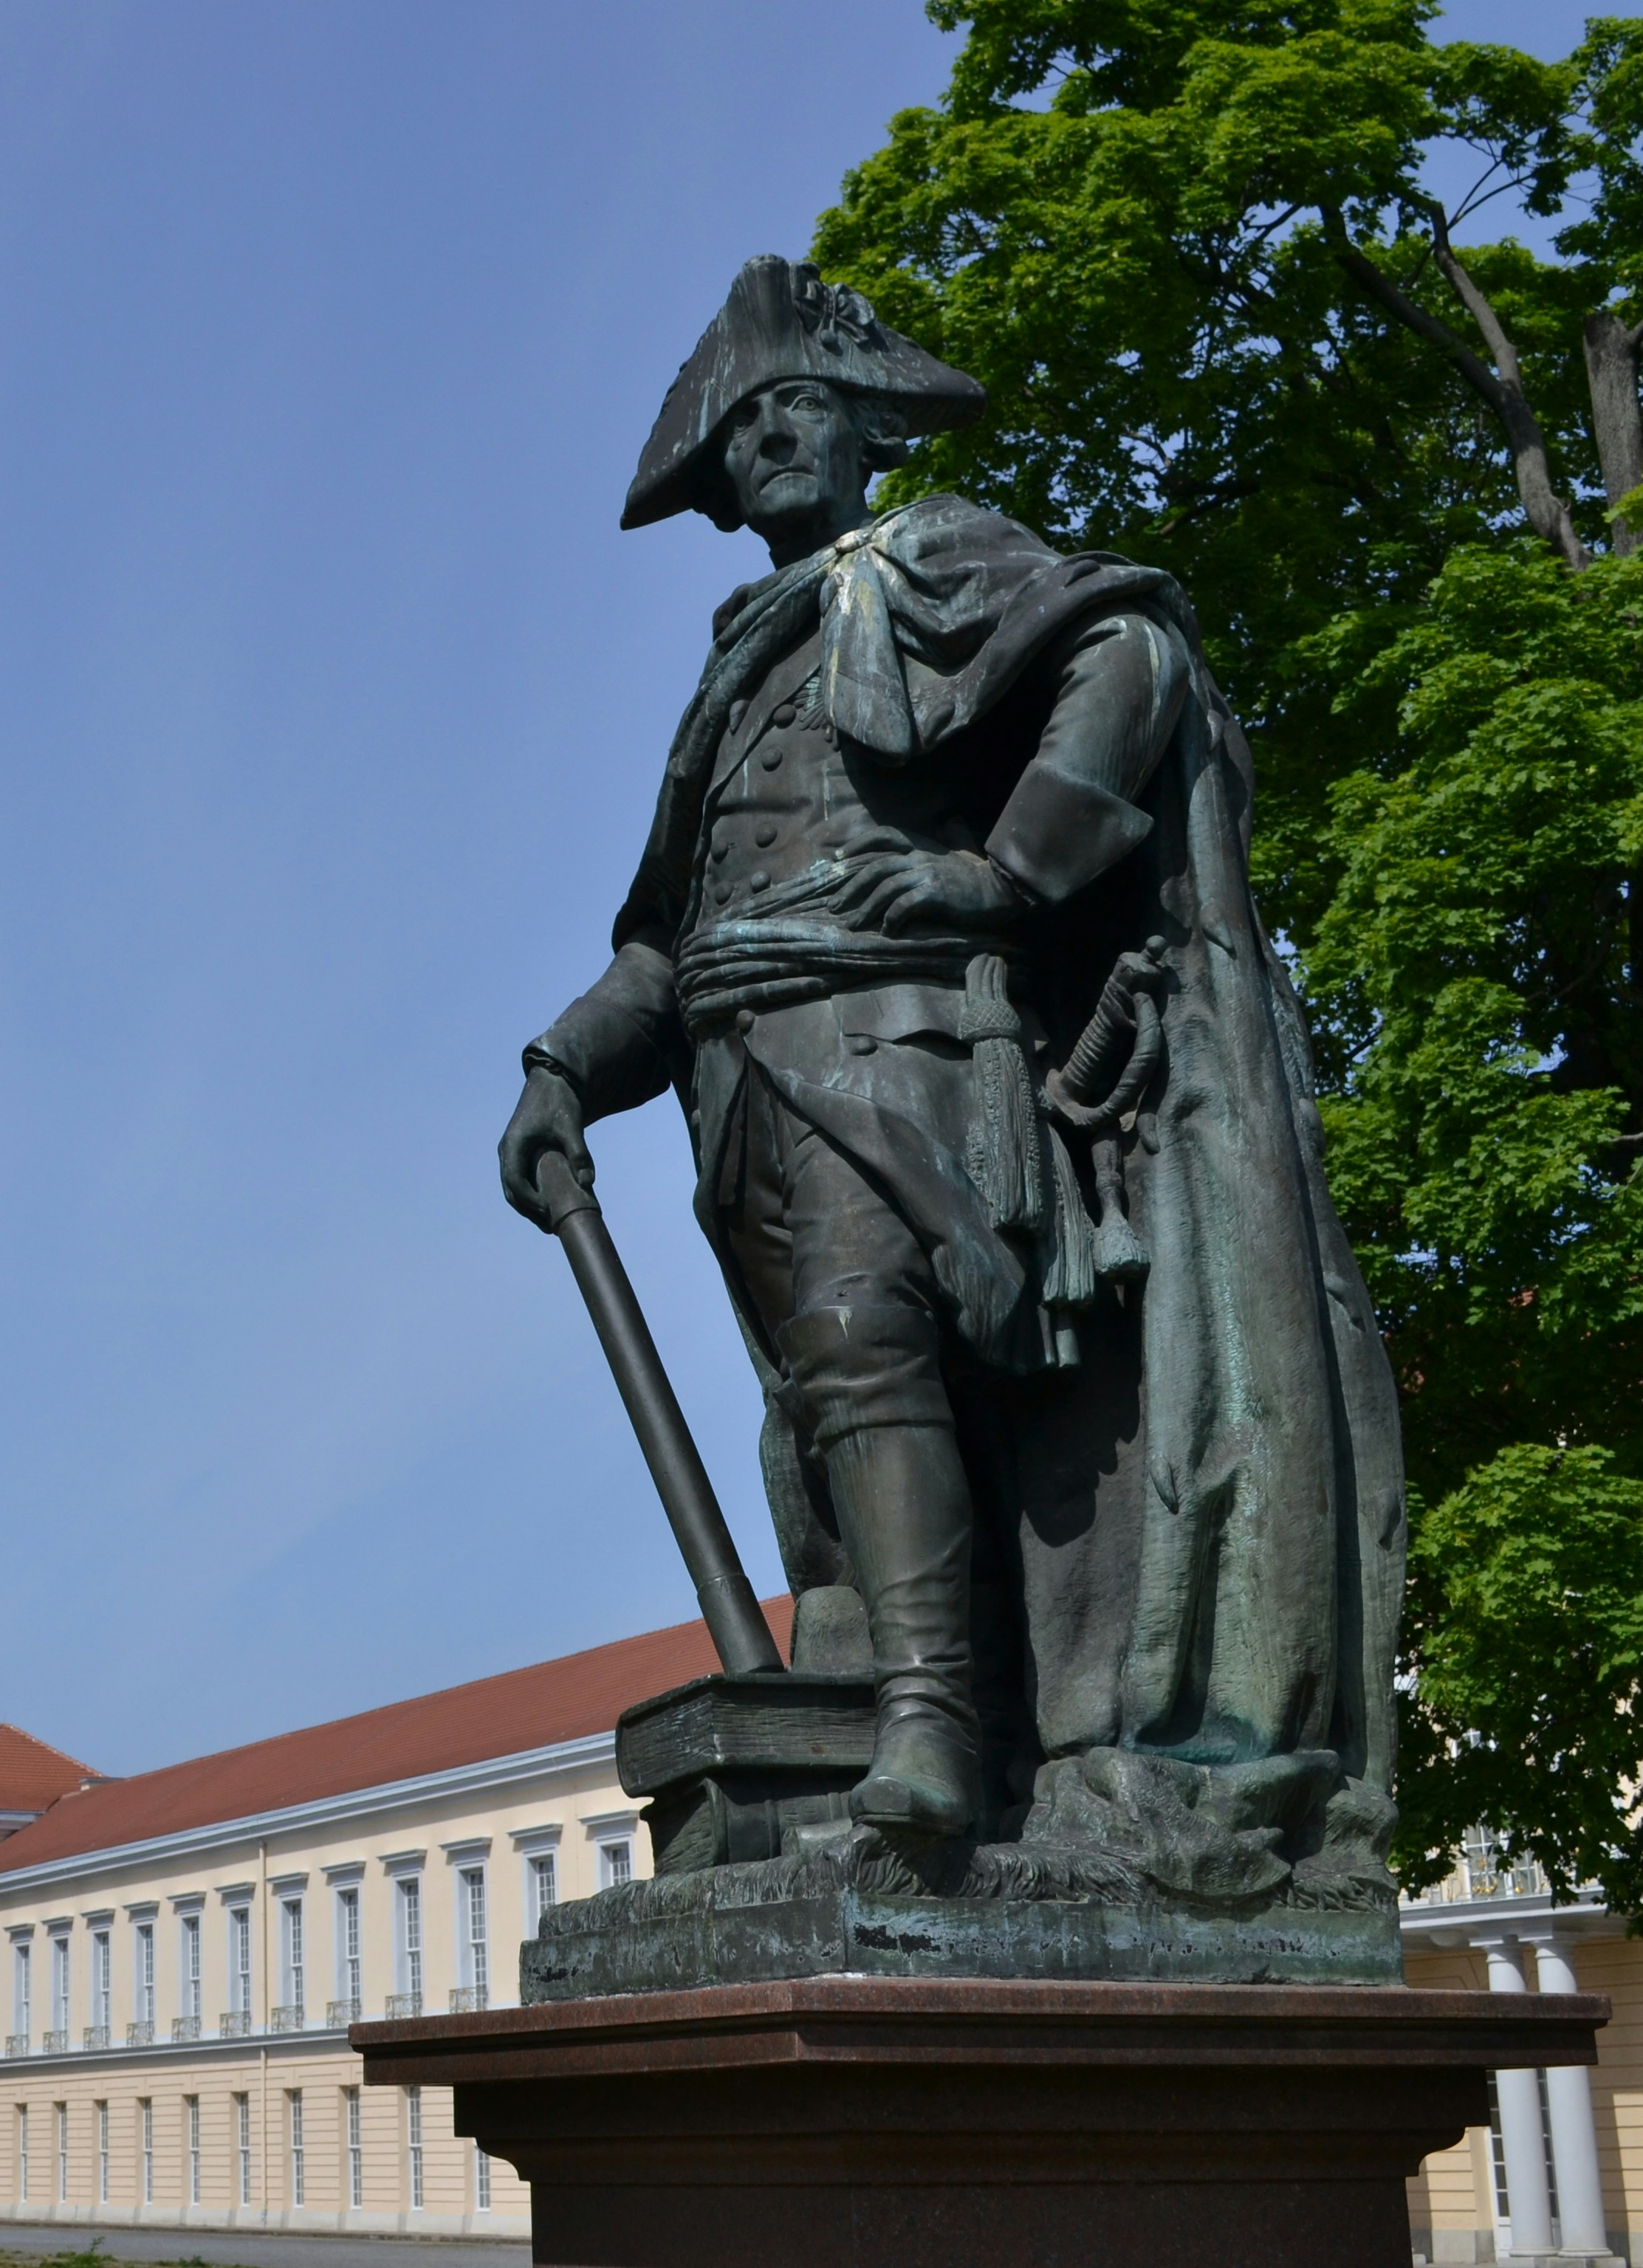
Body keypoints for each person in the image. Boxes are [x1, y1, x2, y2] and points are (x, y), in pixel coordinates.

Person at [501, 258, 1404, 1860]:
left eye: (803, 410)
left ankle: (929, 1738)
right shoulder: (737, 666)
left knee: (873, 1346)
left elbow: (1125, 651)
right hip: (744, 1081)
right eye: (747, 430)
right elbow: (672, 942)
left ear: (864, 433)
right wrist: (563, 1068)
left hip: (909, 1045)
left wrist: (1006, 875)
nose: (777, 442)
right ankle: (935, 1731)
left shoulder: (934, 556)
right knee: (840, 1421)